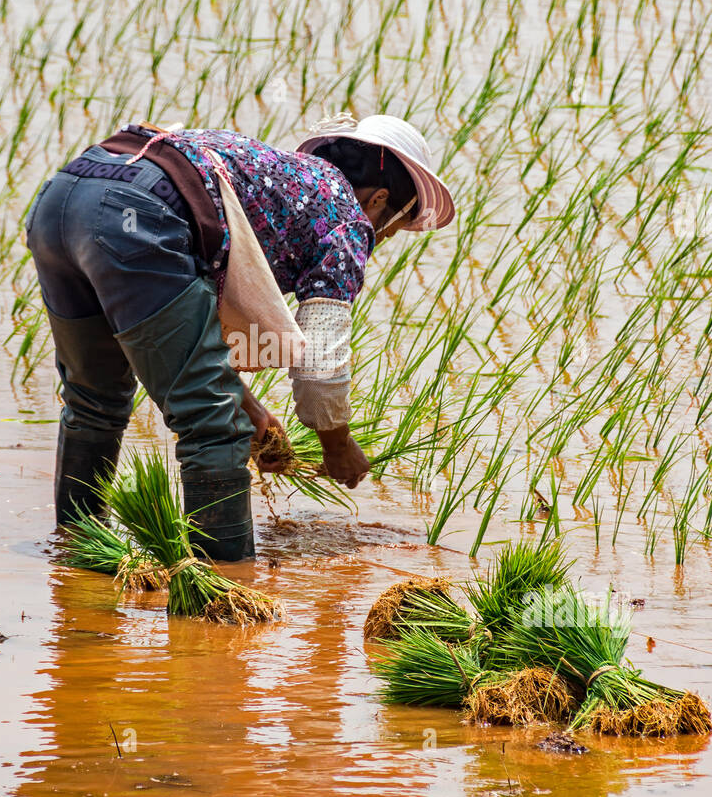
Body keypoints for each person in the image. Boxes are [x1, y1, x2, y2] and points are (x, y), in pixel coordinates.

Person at [25, 113, 455, 560]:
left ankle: (76, 555)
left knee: (95, 400)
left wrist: (252, 412)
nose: (378, 239)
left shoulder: (285, 182)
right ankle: (223, 588)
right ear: (380, 199)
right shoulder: (346, 219)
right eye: (390, 227)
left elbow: (179, 331)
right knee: (212, 428)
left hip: (64, 198)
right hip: (140, 215)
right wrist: (338, 446)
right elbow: (320, 364)